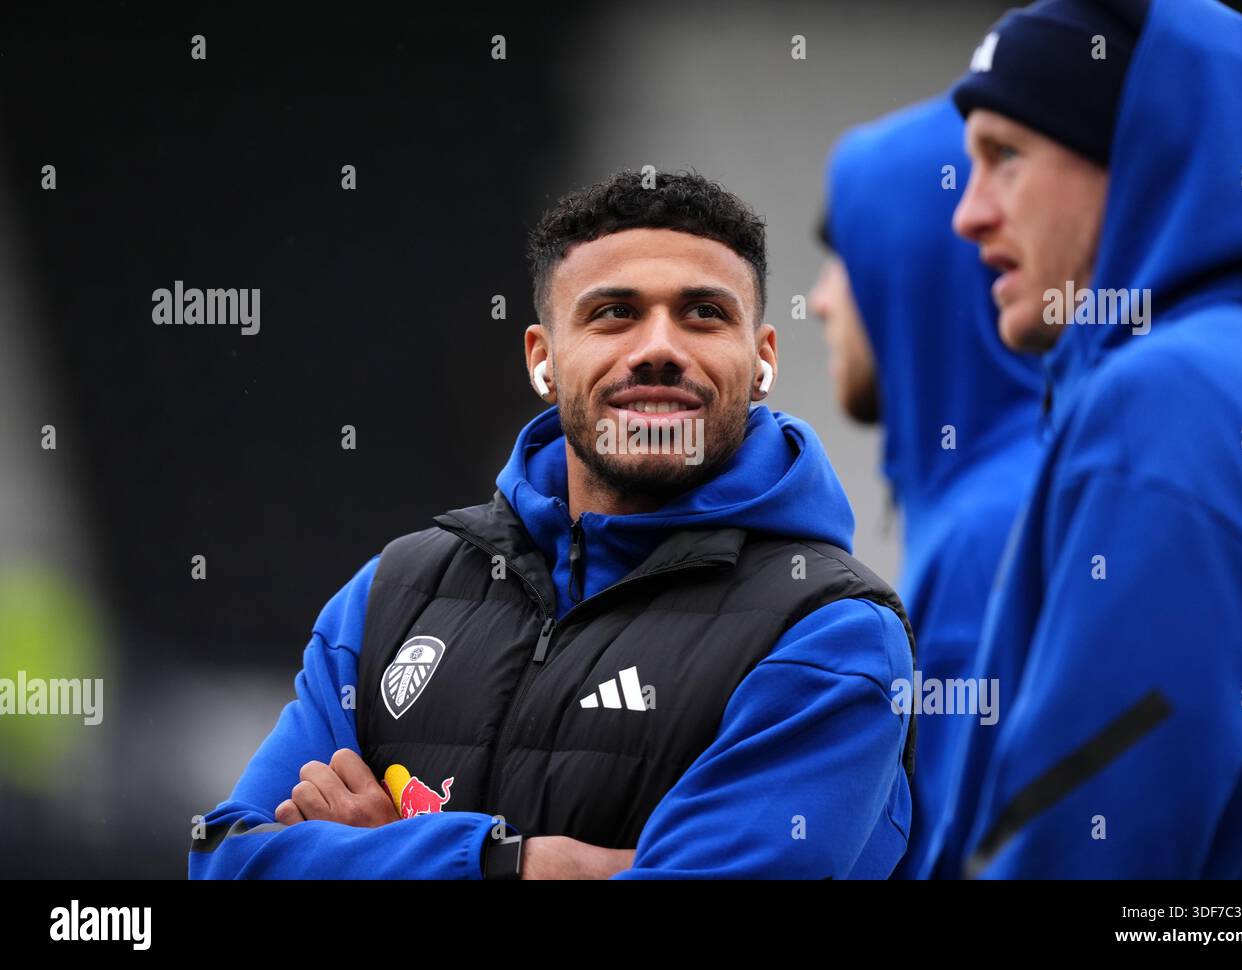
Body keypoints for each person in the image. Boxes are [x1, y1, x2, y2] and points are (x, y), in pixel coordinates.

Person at [190, 170, 916, 880]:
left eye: (703, 314)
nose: (659, 347)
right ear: (543, 359)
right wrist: (521, 865)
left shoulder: (831, 634)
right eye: (613, 314)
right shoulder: (390, 596)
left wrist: (384, 854)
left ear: (761, 362)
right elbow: (226, 860)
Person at [923, 0, 1242, 877]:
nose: (967, 214)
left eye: (1005, 156)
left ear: (1136, 160)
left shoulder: (1170, 395)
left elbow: (1112, 785)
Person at [812, 95, 1042, 878]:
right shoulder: (1014, 487)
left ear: (911, 265)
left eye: (843, 253)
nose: (818, 300)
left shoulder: (996, 528)